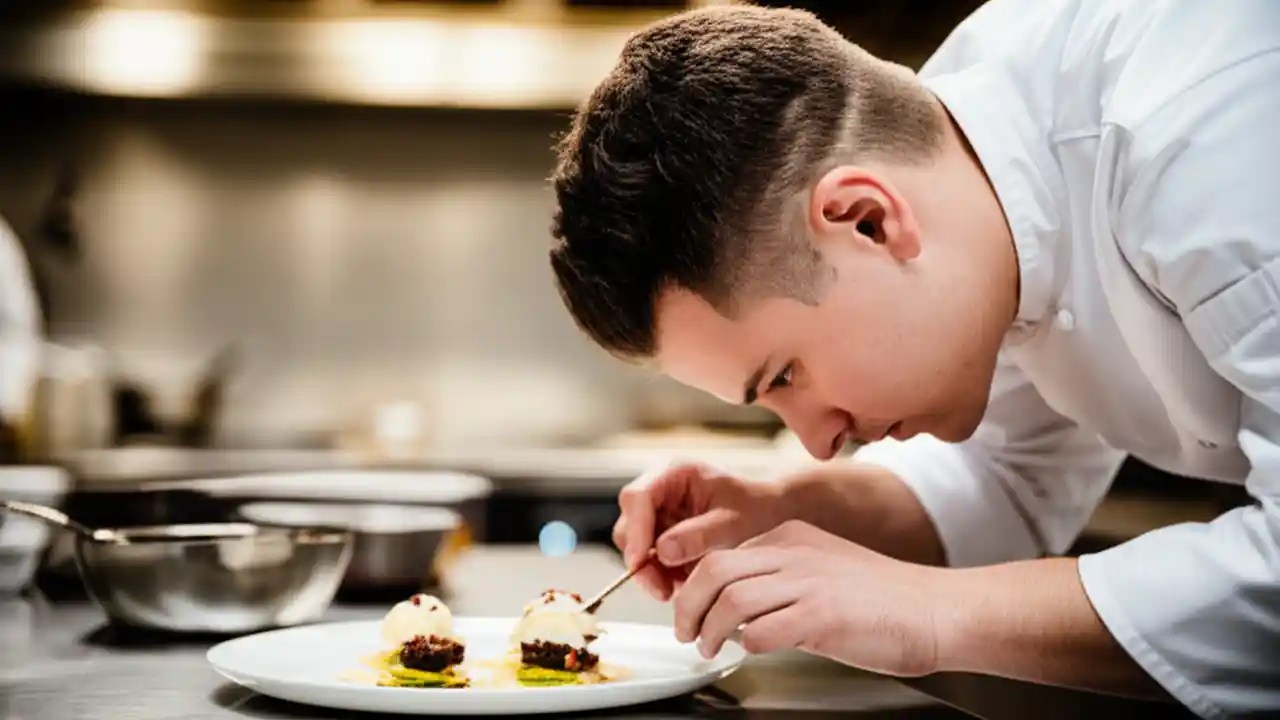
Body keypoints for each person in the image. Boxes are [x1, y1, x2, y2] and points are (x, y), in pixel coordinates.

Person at [546, 1, 1280, 717]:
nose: (818, 442)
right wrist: (782, 509)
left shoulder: (1206, 128)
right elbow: (1008, 475)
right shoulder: (970, 164)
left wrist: (928, 615)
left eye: (785, 374)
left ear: (867, 220)